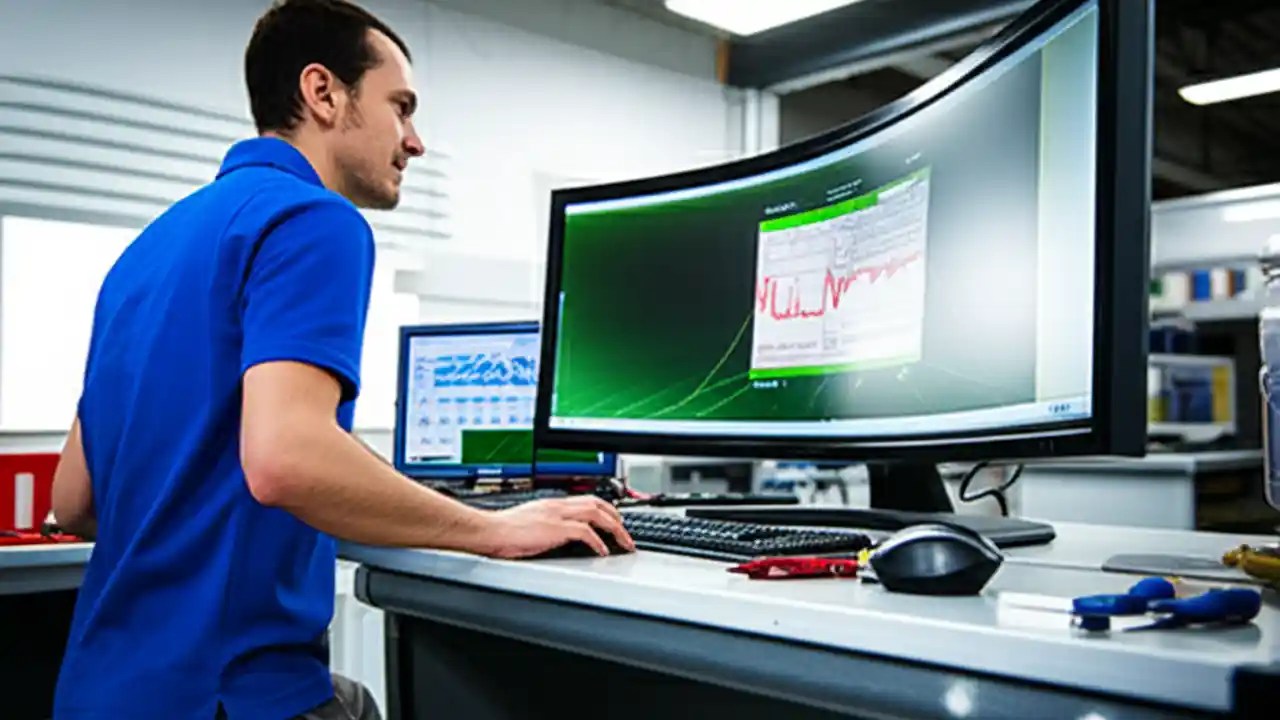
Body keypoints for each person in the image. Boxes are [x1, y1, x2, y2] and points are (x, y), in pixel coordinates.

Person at [48, 1, 634, 718]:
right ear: (323, 93)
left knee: (353, 700)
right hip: (226, 693)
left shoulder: (142, 256)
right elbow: (287, 456)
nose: (414, 141)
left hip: (99, 691)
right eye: (401, 107)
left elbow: (74, 503)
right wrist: (495, 526)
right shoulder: (311, 218)